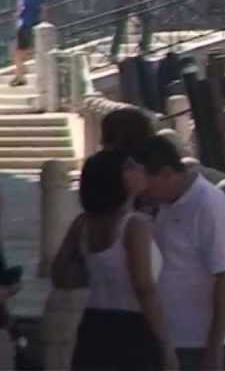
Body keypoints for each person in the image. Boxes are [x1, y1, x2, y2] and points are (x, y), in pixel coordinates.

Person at [51, 148, 176, 371]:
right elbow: (144, 287)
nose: (140, 169)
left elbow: (60, 275)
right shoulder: (135, 225)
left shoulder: (83, 223)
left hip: (93, 326)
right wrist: (166, 343)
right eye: (130, 166)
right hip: (134, 329)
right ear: (116, 178)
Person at [135, 135, 225, 371]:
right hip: (175, 336)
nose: (144, 193)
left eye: (148, 185)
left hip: (203, 340)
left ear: (166, 173)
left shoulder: (209, 206)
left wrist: (214, 347)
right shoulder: (164, 203)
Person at [10, 0, 43, 87]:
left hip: (30, 24)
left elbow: (41, 8)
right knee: (18, 51)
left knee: (24, 51)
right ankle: (19, 76)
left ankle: (21, 77)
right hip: (22, 24)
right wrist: (17, 16)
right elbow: (20, 6)